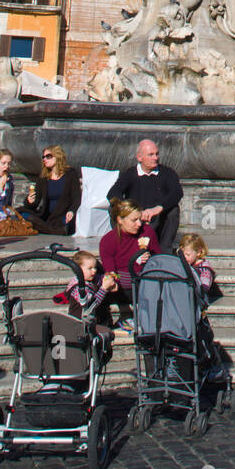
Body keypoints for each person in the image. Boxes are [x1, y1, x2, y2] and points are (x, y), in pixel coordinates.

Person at [108, 139, 183, 249]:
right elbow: (113, 193)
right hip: (135, 218)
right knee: (113, 207)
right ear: (139, 157)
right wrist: (132, 211)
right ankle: (123, 243)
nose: (156, 158)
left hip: (157, 220)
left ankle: (164, 251)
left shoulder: (167, 173)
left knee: (173, 210)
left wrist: (158, 208)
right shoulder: (130, 173)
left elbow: (177, 192)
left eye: (157, 154)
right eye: (151, 155)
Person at [99, 199, 161, 328]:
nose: (139, 224)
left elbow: (159, 260)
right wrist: (113, 279)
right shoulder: (108, 240)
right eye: (134, 220)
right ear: (120, 220)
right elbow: (111, 271)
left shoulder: (147, 232)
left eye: (139, 219)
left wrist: (150, 260)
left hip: (145, 282)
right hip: (123, 285)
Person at [20, 145, 80, 235]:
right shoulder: (43, 176)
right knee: (22, 214)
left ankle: (46, 229)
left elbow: (76, 197)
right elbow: (35, 202)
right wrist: (29, 201)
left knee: (71, 221)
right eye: (43, 157)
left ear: (58, 156)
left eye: (48, 156)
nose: (45, 159)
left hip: (64, 214)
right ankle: (54, 231)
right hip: (47, 216)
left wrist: (72, 211)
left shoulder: (70, 174)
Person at [64, 249, 118, 324]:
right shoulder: (78, 288)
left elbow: (101, 278)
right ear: (78, 270)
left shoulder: (91, 279)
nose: (94, 271)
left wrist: (111, 276)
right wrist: (104, 288)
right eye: (90, 268)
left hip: (91, 320)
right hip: (80, 322)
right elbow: (91, 305)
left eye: (95, 267)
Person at [178, 233, 218, 299]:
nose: (184, 257)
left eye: (188, 255)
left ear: (198, 252)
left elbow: (204, 287)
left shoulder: (204, 269)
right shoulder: (185, 263)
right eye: (183, 255)